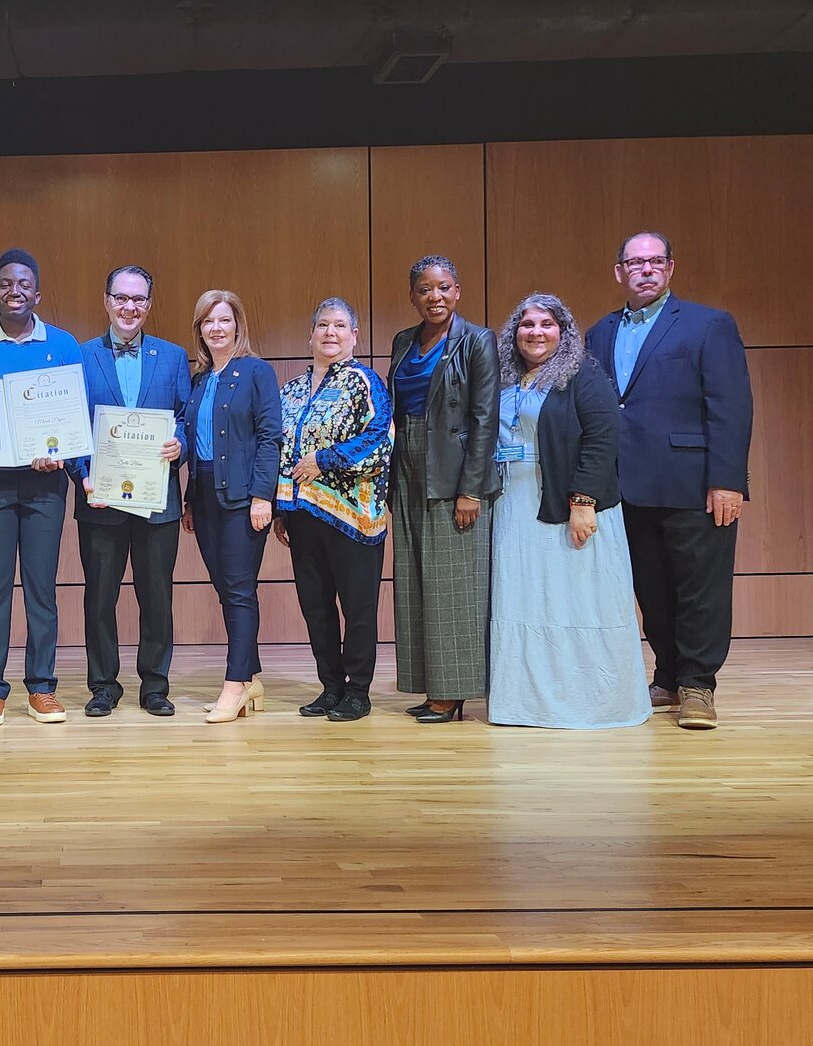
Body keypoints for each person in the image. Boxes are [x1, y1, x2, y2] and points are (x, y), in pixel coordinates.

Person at [585, 232, 752, 731]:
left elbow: (731, 406)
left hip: (694, 484)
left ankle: (699, 684)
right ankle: (669, 676)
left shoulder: (708, 324)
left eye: (655, 261)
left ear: (670, 268)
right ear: (619, 271)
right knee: (651, 589)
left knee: (700, 588)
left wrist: (727, 481)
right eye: (636, 262)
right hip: (627, 485)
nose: (646, 269)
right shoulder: (599, 332)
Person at [488, 294, 651, 729]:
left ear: (563, 332)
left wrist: (583, 502)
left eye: (547, 324)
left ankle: (592, 703)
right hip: (513, 504)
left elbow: (602, 439)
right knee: (524, 597)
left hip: (566, 501)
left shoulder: (583, 374)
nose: (536, 332)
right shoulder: (505, 378)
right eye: (527, 324)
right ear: (514, 332)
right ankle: (522, 703)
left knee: (576, 599)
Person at [0, 248, 84, 727]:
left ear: (37, 294)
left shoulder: (63, 344)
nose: (15, 291)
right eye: (6, 283)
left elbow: (75, 417)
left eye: (24, 284)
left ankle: (42, 687)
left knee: (41, 589)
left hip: (45, 484)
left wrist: (61, 453)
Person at [73, 265, 190, 719]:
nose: (129, 307)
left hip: (157, 500)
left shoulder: (174, 356)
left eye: (138, 299)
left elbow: (184, 416)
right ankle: (103, 685)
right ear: (106, 301)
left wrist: (179, 444)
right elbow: (70, 425)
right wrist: (82, 475)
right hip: (99, 498)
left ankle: (155, 685)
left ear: (149, 304)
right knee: (100, 597)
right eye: (121, 297)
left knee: (157, 597)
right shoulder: (81, 355)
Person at [388, 255, 500, 724]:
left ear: (458, 292)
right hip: (408, 464)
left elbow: (485, 418)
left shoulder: (478, 340)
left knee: (453, 584)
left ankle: (453, 692)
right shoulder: (403, 341)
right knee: (413, 577)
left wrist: (470, 489)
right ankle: (430, 682)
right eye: (425, 289)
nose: (435, 296)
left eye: (444, 288)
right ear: (413, 296)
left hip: (454, 469)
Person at [272, 298, 393, 724]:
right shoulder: (290, 390)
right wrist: (281, 507)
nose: (330, 332)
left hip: (353, 516)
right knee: (316, 606)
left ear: (354, 336)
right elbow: (278, 448)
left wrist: (325, 460)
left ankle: (358, 691)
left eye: (340, 325)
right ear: (310, 335)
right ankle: (331, 687)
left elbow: (380, 439)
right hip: (302, 514)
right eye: (323, 325)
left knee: (357, 608)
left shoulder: (365, 382)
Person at [182, 290, 281, 724]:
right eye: (208, 322)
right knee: (226, 589)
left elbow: (270, 437)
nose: (216, 328)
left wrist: (263, 496)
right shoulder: (200, 379)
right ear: (200, 330)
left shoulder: (257, 371)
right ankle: (251, 677)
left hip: (243, 497)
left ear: (238, 325)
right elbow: (194, 442)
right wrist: (189, 499)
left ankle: (235, 684)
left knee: (240, 591)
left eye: (224, 320)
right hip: (204, 496)